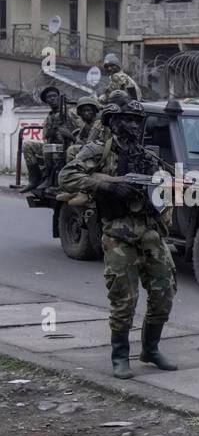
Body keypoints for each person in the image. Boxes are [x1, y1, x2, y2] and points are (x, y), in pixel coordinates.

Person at [59, 101, 177, 379]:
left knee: (164, 293)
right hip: (117, 234)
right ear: (113, 122)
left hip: (150, 232)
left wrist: (164, 189)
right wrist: (108, 186)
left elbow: (164, 189)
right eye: (127, 120)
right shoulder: (98, 150)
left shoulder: (148, 156)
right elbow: (67, 175)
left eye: (137, 120)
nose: (134, 125)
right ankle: (120, 356)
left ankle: (150, 349)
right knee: (124, 299)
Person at [20, 86, 80, 195]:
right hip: (53, 146)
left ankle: (49, 178)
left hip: (69, 146)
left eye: (54, 96)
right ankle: (34, 179)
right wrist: (51, 131)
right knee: (27, 145)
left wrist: (70, 135)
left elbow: (81, 132)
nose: (52, 99)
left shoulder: (70, 113)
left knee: (48, 148)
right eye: (49, 97)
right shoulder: (49, 117)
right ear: (46, 101)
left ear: (58, 97)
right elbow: (45, 136)